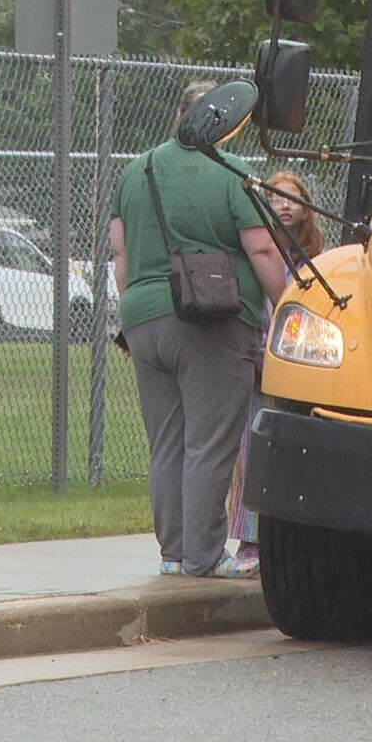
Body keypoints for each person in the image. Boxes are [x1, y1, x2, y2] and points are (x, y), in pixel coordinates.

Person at [109, 81, 286, 579]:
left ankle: (173, 552)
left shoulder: (136, 169)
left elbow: (120, 255)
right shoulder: (231, 172)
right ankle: (205, 557)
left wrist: (135, 312)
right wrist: (289, 309)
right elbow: (263, 250)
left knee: (166, 441)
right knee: (209, 443)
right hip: (213, 321)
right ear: (222, 123)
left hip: (143, 318)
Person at [224, 170, 325, 571]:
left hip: (296, 369)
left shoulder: (315, 258)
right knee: (249, 452)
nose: (284, 206)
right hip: (255, 365)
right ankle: (250, 541)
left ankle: (292, 539)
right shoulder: (254, 249)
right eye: (276, 198)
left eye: (293, 199)